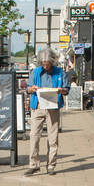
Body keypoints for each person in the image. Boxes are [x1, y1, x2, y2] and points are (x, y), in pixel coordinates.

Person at [26, 47, 69, 175]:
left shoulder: (60, 72)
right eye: (43, 63)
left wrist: (61, 91)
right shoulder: (35, 72)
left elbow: (66, 90)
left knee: (53, 138)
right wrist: (32, 89)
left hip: (53, 107)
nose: (45, 66)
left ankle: (51, 165)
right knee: (34, 136)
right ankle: (34, 164)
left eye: (47, 64)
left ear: (52, 61)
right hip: (38, 106)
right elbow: (28, 89)